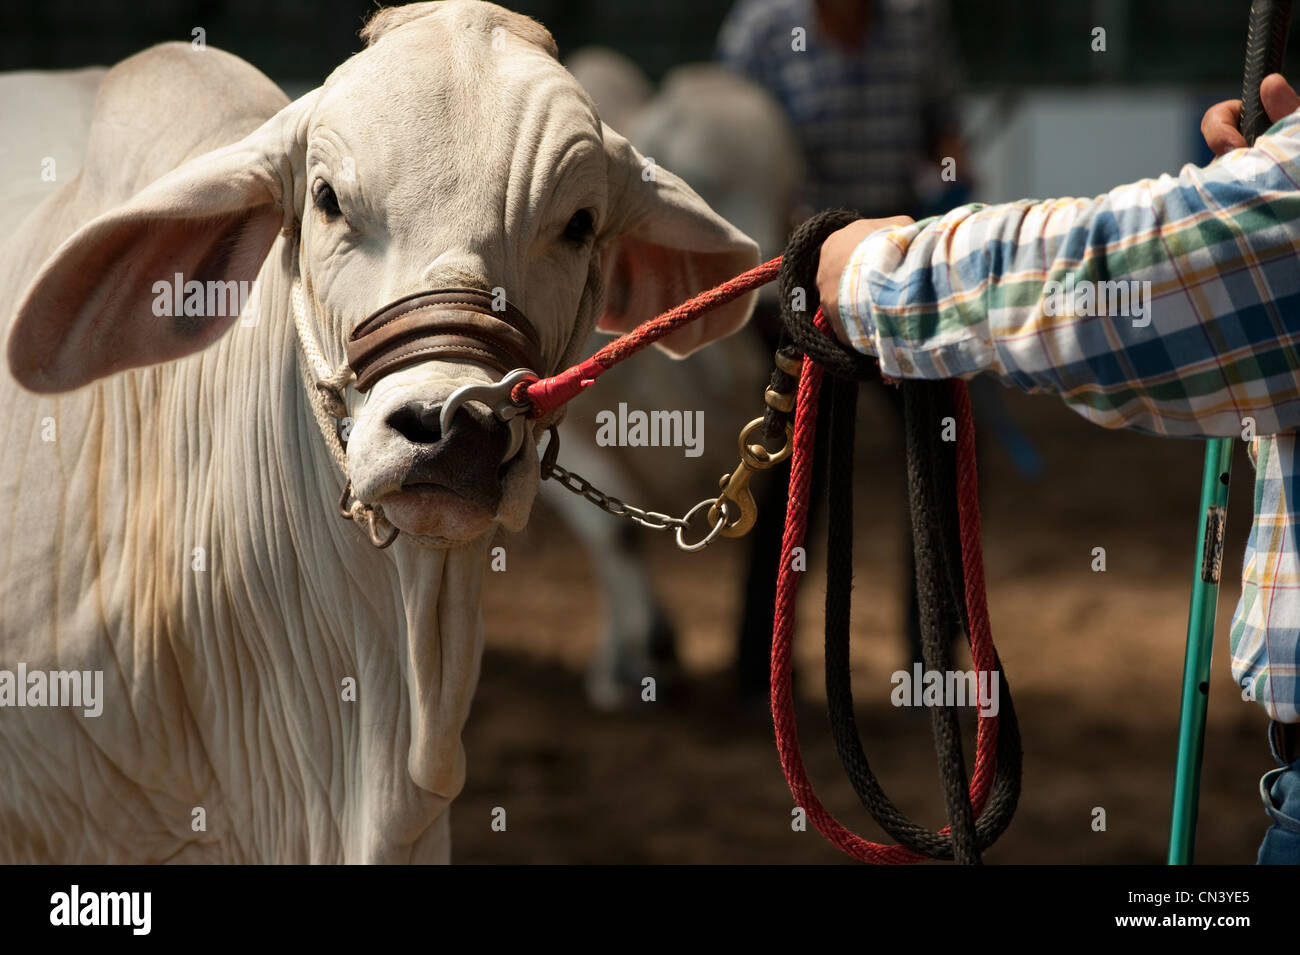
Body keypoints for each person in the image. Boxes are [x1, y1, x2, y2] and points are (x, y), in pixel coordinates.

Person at [814, 73, 1300, 864]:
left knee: (910, 486)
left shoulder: (909, 31)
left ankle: (925, 654)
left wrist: (877, 273)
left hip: (852, 260)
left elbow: (1130, 277)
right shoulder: (780, 32)